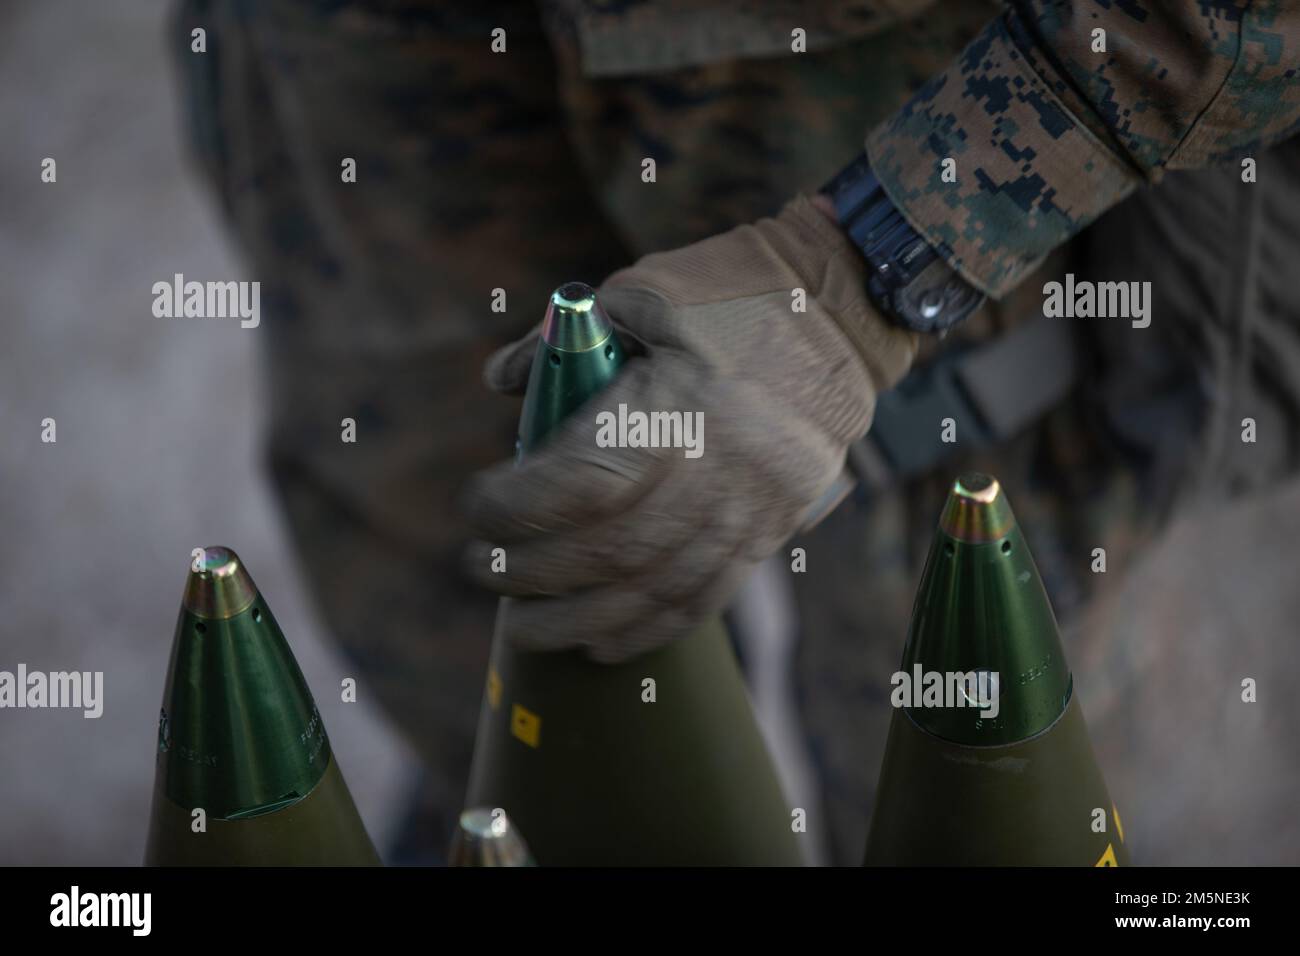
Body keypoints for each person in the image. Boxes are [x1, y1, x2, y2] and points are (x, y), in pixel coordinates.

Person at [174, 0, 1300, 863]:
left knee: (970, 738)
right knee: (489, 605)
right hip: (367, 58)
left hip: (892, 75)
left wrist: (880, 258)